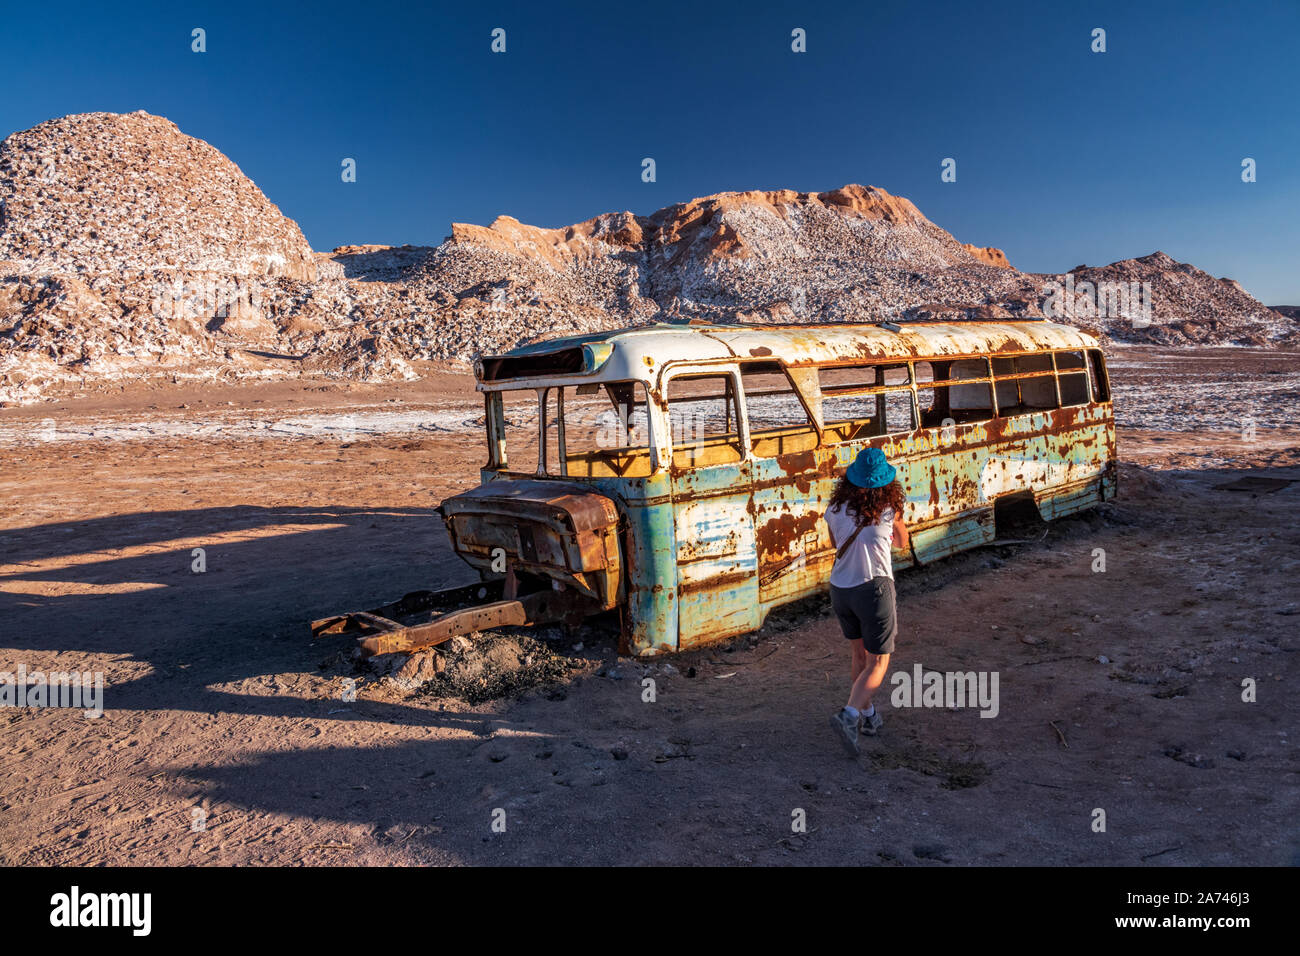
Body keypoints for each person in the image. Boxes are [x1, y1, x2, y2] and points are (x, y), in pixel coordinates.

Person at [825, 446, 908, 756]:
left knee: (859, 658)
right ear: (885, 482)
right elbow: (901, 543)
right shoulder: (889, 510)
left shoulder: (833, 510)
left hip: (840, 589)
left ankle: (869, 717)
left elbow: (836, 545)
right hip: (873, 589)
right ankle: (848, 716)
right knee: (879, 662)